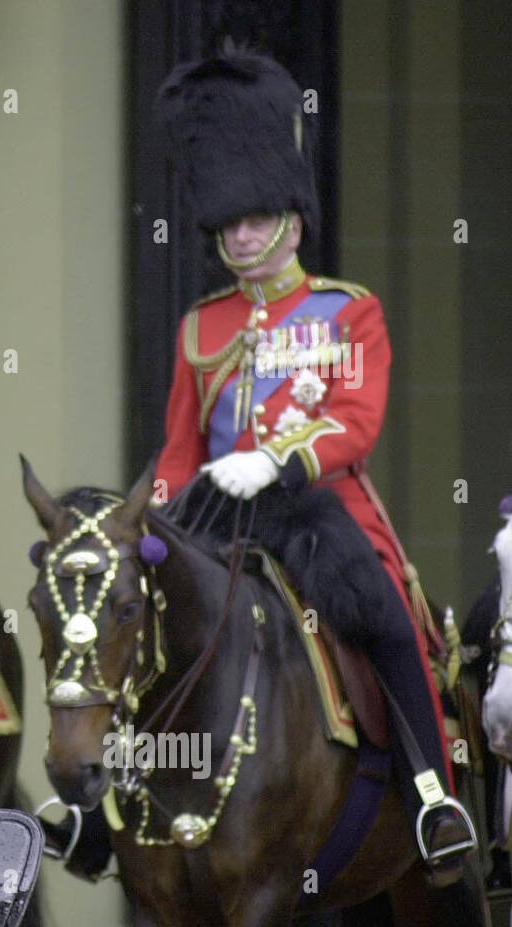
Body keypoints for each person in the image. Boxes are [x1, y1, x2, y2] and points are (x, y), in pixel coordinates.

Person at [152, 51, 475, 882]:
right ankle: (113, 804)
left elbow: (357, 424)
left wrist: (276, 461)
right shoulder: (199, 327)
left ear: (293, 217)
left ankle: (432, 795)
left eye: (257, 219)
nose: (243, 235)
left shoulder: (347, 308)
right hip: (221, 515)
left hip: (319, 512)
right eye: (230, 224)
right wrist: (151, 519)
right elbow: (180, 451)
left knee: (385, 622)